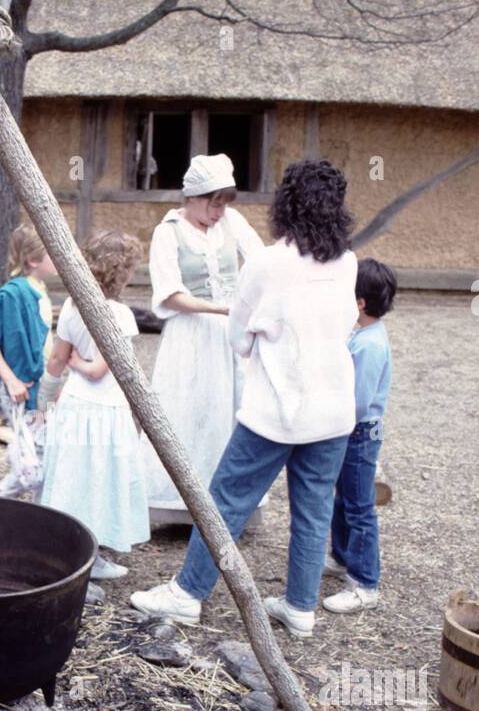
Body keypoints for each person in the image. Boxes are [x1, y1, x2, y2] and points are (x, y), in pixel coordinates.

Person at [131, 159, 359, 638]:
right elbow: (344, 325)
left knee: (227, 500)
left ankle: (188, 593)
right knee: (313, 510)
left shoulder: (269, 262)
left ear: (287, 206)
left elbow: (239, 334)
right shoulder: (347, 261)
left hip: (277, 410)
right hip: (334, 409)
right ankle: (300, 605)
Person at [142, 153, 265, 513]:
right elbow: (168, 294)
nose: (220, 211)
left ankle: (225, 503)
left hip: (230, 333)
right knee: (189, 407)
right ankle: (176, 504)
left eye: (225, 203)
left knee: (230, 409)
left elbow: (261, 262)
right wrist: (221, 308)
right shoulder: (168, 232)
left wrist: (246, 302)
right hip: (190, 334)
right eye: (214, 202)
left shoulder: (232, 222)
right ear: (193, 197)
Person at [38, 230, 149, 580]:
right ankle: (92, 554)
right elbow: (105, 370)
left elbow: (58, 357)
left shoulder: (72, 304)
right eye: (131, 267)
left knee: (73, 476)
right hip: (104, 408)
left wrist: (45, 397)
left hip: (74, 403)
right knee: (99, 478)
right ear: (120, 271)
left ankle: (67, 546)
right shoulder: (119, 314)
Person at [322, 258, 396, 614]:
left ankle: (365, 583)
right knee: (344, 498)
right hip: (354, 432)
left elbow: (360, 402)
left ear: (361, 302)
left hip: (359, 433)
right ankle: (342, 556)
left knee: (359, 506)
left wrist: (333, 425)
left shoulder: (369, 345)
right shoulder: (364, 334)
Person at [0, 225, 57, 413]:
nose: (58, 257)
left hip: (40, 384)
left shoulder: (39, 289)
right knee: (19, 441)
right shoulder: (14, 293)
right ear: (33, 260)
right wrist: (11, 380)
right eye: (52, 253)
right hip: (18, 390)